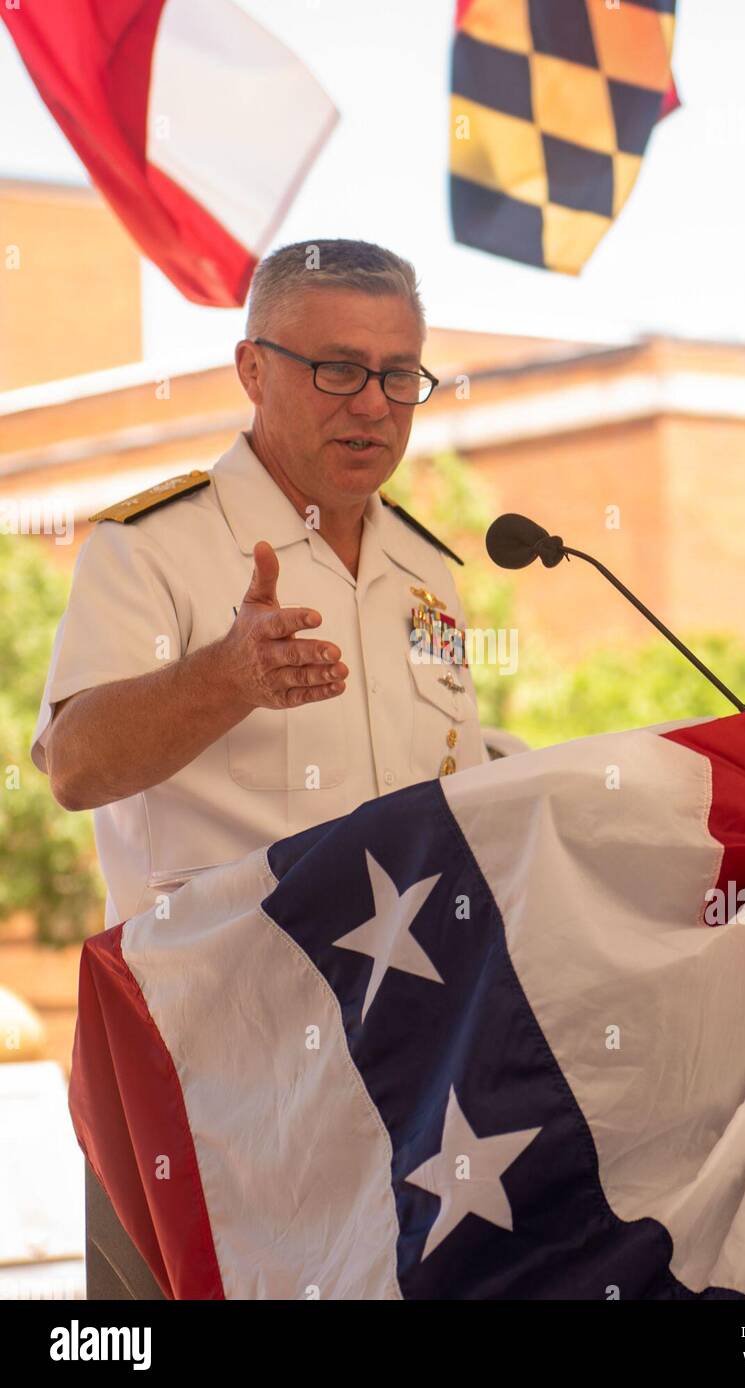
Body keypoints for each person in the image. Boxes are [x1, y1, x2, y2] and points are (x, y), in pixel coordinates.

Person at [30, 239, 488, 929]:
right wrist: (227, 677)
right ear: (252, 370)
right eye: (339, 369)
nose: (373, 406)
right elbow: (75, 769)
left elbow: (463, 792)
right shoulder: (152, 545)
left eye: (398, 375)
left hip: (414, 1007)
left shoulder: (426, 571)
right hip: (221, 1019)